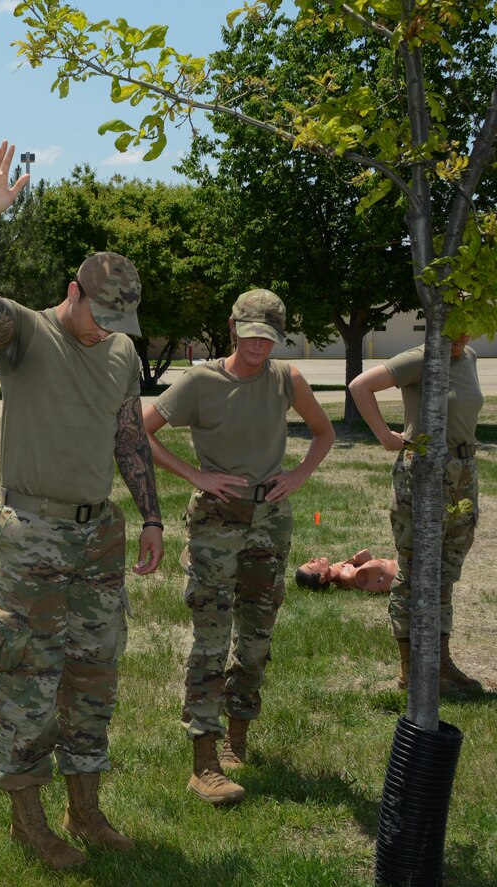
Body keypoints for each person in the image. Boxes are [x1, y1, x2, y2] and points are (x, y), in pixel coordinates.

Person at [0, 141, 164, 871]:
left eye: (118, 319)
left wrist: (152, 515)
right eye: (99, 313)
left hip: (99, 535)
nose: (106, 328)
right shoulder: (26, 332)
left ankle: (86, 807)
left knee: (94, 674)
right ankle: (28, 820)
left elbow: (129, 434)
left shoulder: (121, 354)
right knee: (30, 678)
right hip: (32, 534)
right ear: (74, 290)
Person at [143, 290, 334, 806]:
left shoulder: (286, 379)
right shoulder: (201, 381)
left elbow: (323, 433)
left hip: (270, 523)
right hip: (215, 522)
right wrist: (195, 474)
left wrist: (298, 475)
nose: (258, 346)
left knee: (256, 637)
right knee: (210, 639)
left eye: (267, 338)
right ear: (233, 328)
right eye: (250, 335)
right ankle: (203, 762)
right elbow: (141, 431)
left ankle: (237, 738)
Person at [348, 336, 484, 694]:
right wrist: (385, 437)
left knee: (445, 570)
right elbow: (360, 386)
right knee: (414, 570)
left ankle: (440, 662)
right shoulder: (422, 357)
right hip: (424, 473)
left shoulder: (468, 357)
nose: (462, 333)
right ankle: (410, 670)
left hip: (464, 471)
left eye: (467, 325)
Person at [294, 550, 397, 593]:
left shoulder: (339, 568)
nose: (312, 559)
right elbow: (367, 557)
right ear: (322, 579)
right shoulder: (353, 575)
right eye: (311, 565)